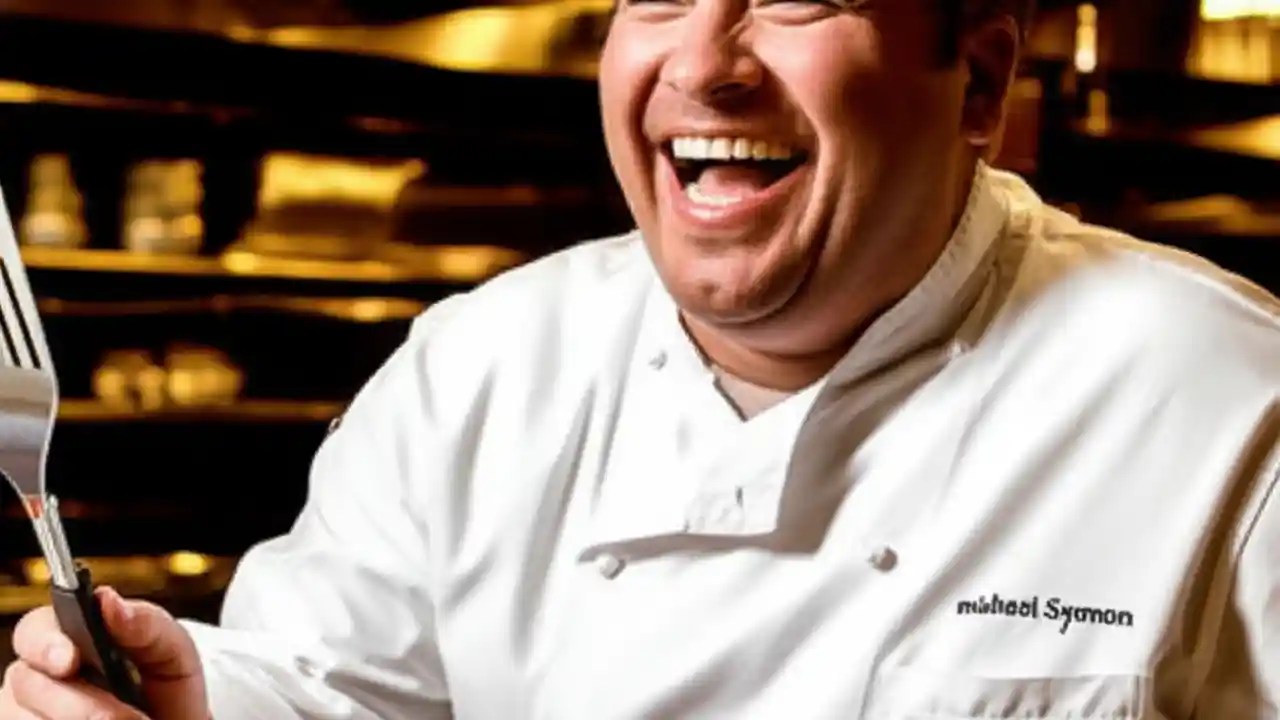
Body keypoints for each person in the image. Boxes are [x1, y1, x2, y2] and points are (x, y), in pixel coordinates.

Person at [4, 0, 1279, 716]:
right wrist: (190, 703)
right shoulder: (480, 369)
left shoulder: (1224, 401)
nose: (705, 64)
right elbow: (337, 690)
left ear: (979, 83)